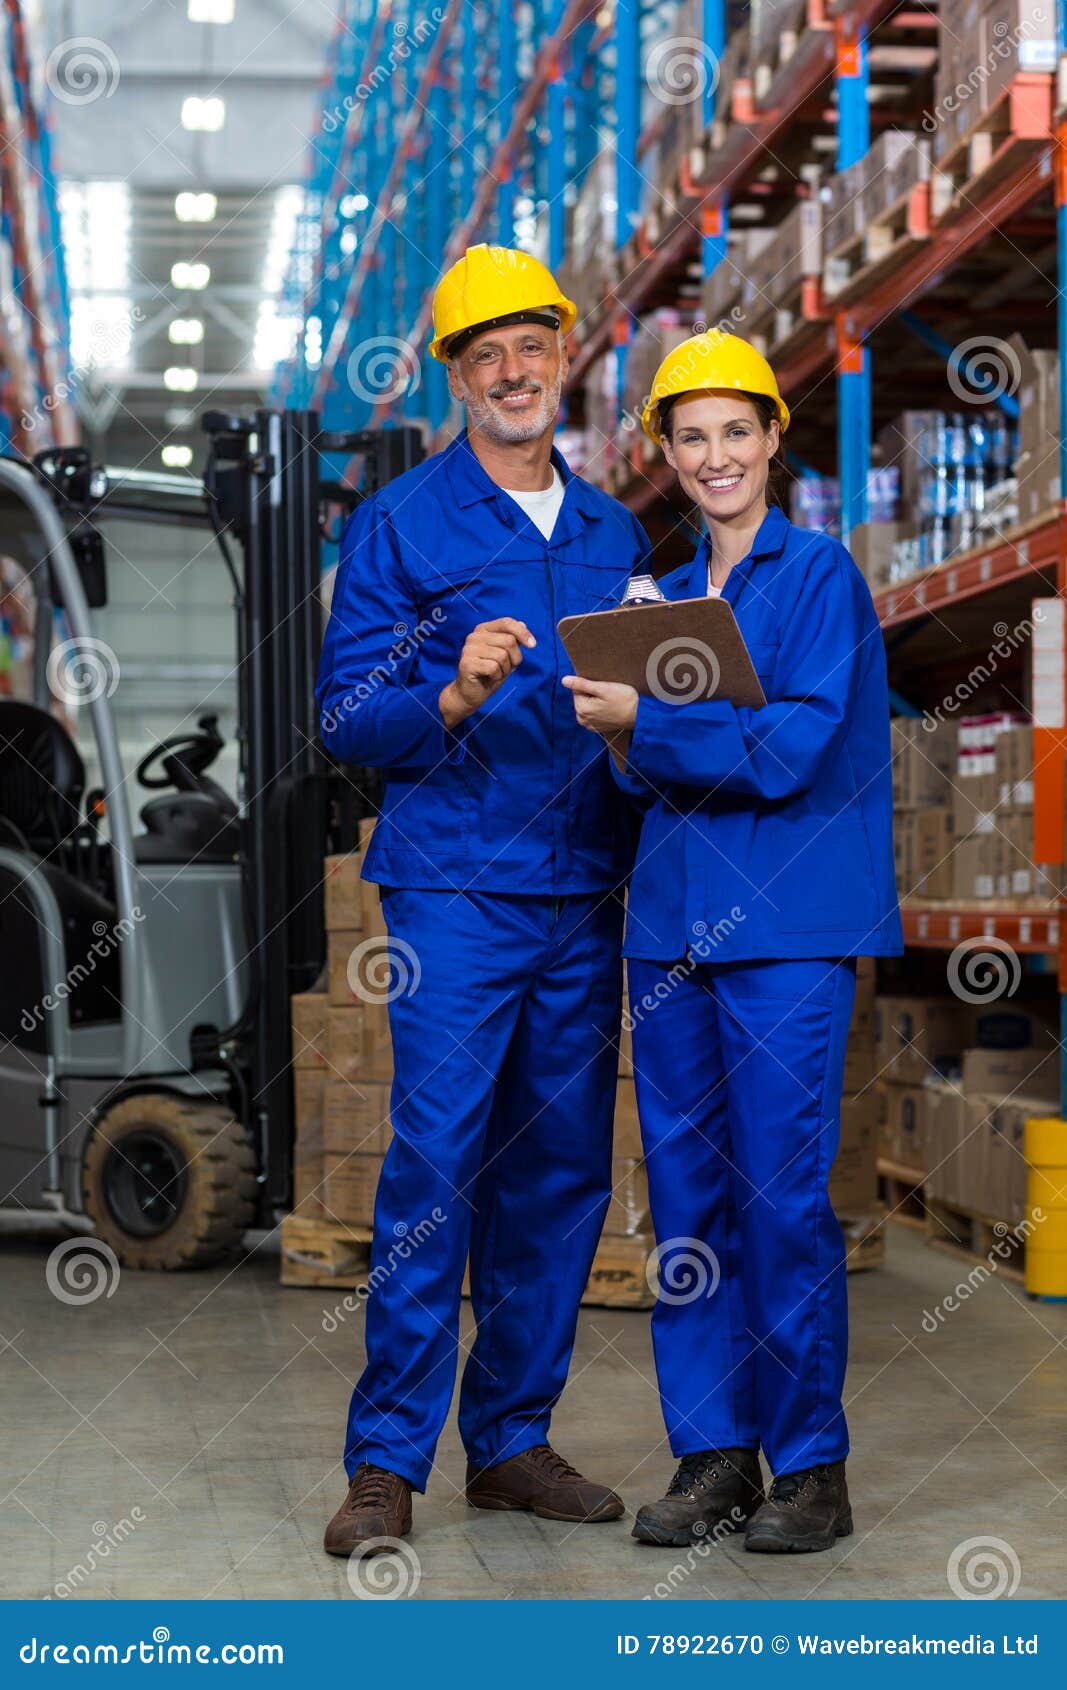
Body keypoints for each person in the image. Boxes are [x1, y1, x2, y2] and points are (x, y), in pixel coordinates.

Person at [318, 244, 652, 1556]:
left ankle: (509, 1440)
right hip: (456, 888)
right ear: (456, 378)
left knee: (561, 1171)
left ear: (563, 357)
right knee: (436, 1163)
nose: (513, 371)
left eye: (532, 346)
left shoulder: (614, 530)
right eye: (485, 354)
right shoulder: (400, 522)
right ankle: (385, 1460)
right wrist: (451, 692)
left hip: (585, 885)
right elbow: (347, 715)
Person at [564, 330, 903, 1554]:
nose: (714, 456)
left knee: (780, 1199)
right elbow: (640, 780)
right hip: (669, 932)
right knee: (689, 1203)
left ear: (770, 441)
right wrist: (616, 728)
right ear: (666, 453)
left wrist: (648, 718)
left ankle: (809, 1465)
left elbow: (793, 745)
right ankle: (713, 1451)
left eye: (734, 432)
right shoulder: (658, 600)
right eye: (690, 436)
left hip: (785, 930)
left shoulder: (816, 578)